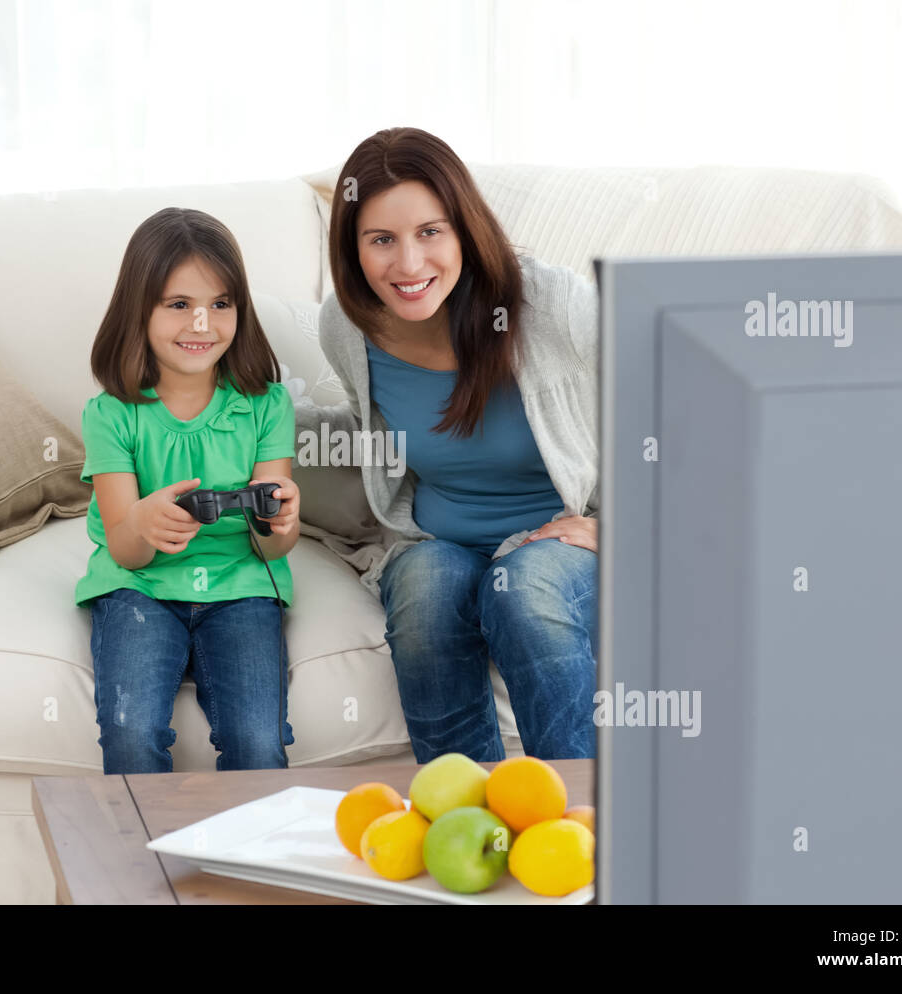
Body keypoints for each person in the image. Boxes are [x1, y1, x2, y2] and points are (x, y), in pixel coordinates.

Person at [294, 127, 600, 763]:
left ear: (465, 229)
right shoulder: (347, 327)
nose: (408, 265)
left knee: (524, 592)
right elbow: (374, 442)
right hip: (438, 536)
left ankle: (583, 827)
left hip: (558, 542)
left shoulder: (557, 307)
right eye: (382, 239)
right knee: (425, 597)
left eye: (430, 232)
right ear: (352, 249)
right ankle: (459, 819)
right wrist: (240, 425)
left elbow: (680, 411)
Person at [75, 207, 301, 773]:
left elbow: (270, 549)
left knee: (258, 743)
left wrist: (281, 525)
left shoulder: (267, 405)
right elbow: (125, 550)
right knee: (130, 736)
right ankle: (143, 862)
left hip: (242, 586)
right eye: (180, 305)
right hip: (141, 586)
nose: (202, 324)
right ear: (139, 311)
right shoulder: (110, 415)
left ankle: (244, 861)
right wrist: (144, 525)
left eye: (220, 304)